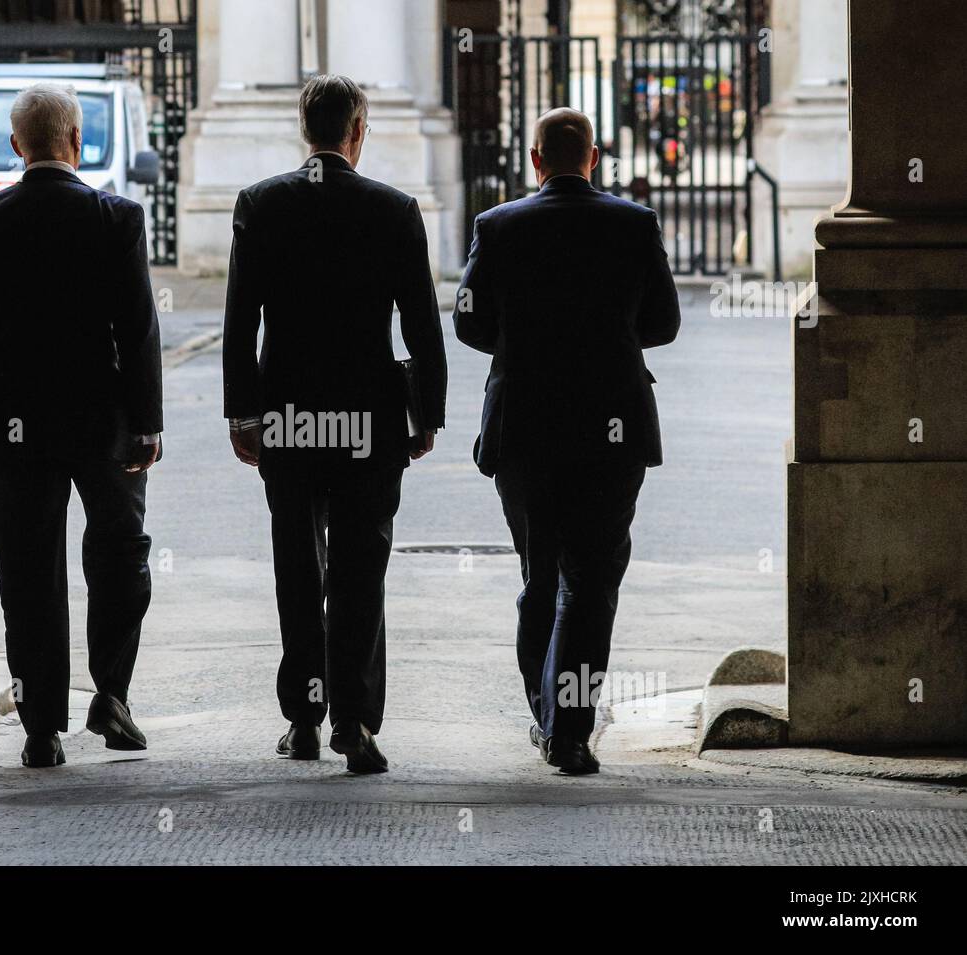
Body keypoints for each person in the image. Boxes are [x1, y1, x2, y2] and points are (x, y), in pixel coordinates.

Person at [223, 74, 448, 774]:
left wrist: (243, 411)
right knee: (360, 567)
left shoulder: (260, 204)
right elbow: (421, 326)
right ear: (358, 130)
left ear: (304, 127)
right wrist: (426, 414)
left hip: (288, 413)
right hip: (369, 417)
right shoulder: (394, 209)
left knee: (298, 564)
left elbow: (239, 322)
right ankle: (354, 719)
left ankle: (304, 718)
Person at [0, 83, 163, 769]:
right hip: (103, 422)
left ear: (17, 146)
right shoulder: (117, 217)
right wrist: (147, 422)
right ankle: (112, 694)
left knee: (29, 572)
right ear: (76, 141)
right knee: (120, 556)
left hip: (13, 426)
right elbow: (139, 326)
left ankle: (42, 728)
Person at [454, 107, 680, 775]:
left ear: (534, 159)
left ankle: (546, 711)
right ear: (596, 156)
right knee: (593, 581)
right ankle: (571, 731)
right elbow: (663, 322)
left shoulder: (498, 226)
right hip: (610, 426)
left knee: (539, 574)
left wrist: (521, 345)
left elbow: (468, 322)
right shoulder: (633, 224)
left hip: (524, 425)